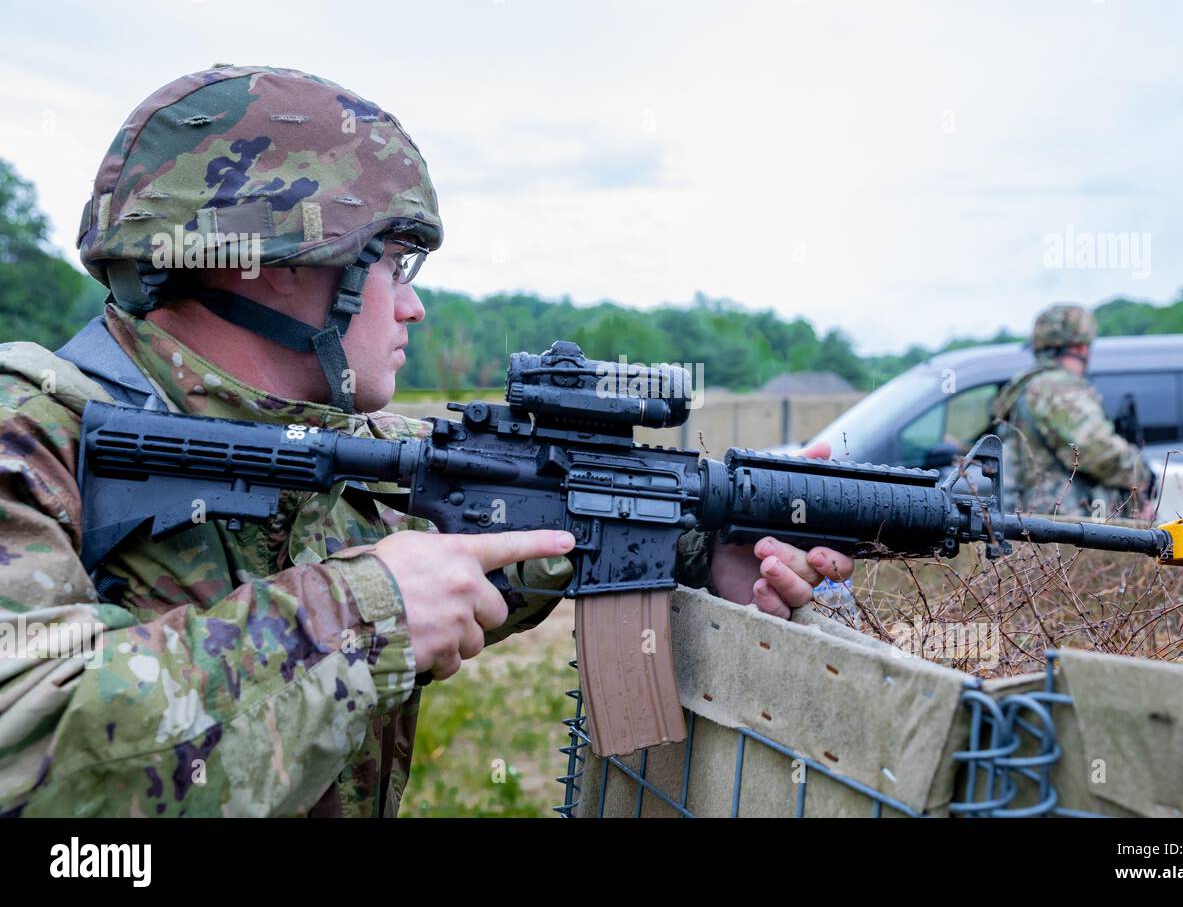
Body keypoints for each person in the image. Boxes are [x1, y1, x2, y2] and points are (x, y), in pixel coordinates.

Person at [0, 65, 854, 816]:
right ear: (284, 257)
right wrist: (366, 615)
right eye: (393, 261)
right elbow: (26, 752)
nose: (412, 307)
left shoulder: (346, 450)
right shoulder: (31, 439)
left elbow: (530, 530)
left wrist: (710, 542)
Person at [990, 303, 1155, 519]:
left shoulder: (1024, 386)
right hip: (1066, 523)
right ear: (1080, 347)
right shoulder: (1057, 388)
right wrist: (1142, 476)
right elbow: (1097, 450)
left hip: (1039, 520)